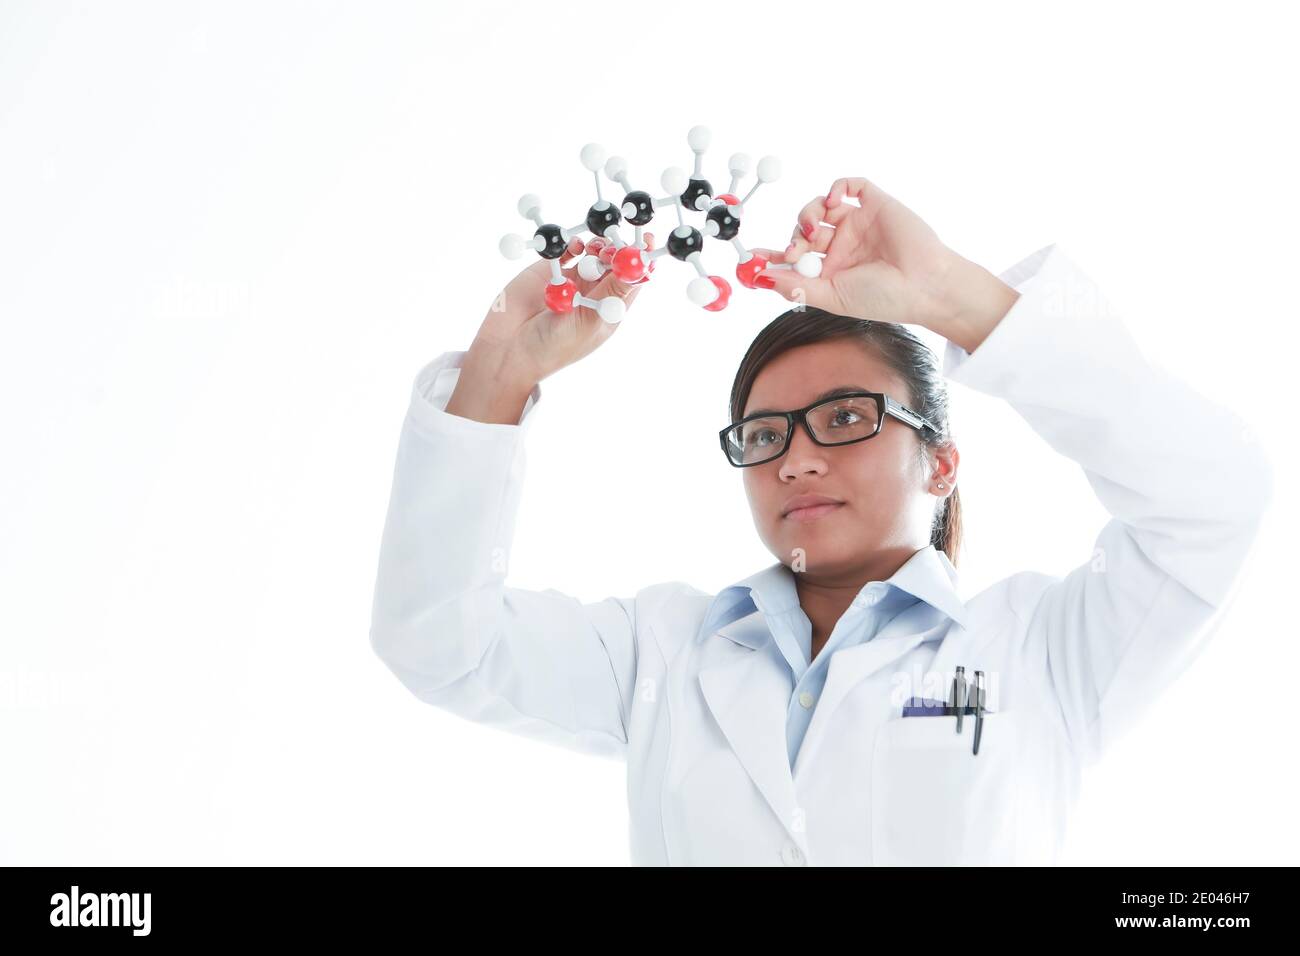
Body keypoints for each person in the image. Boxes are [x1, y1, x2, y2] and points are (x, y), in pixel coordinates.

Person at [368, 177, 1273, 866]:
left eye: (846, 419)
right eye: (766, 435)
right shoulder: (665, 653)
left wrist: (950, 296)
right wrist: (498, 369)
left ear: (942, 461)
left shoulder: (1041, 652)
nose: (797, 458)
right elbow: (442, 643)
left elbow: (1211, 502)